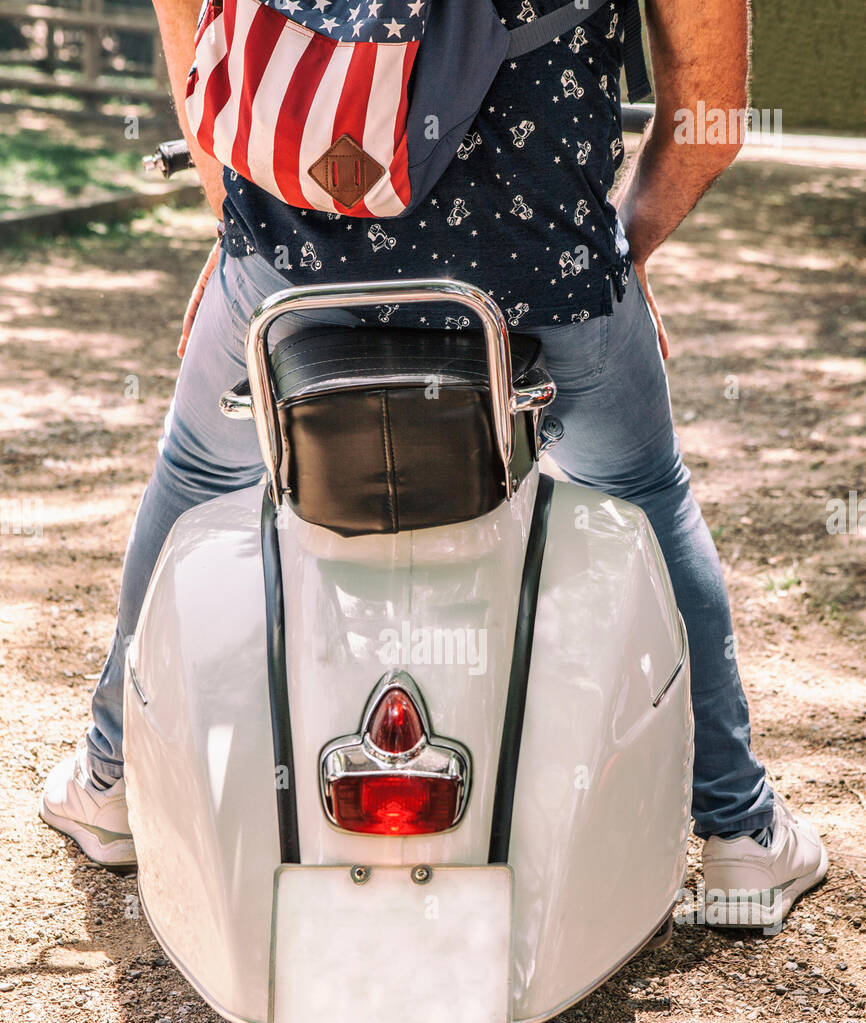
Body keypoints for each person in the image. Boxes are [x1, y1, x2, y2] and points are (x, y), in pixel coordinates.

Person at [40, 0, 827, 927]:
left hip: (291, 269)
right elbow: (710, 118)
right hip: (540, 284)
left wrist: (238, 222)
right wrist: (612, 256)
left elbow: (195, 22)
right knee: (645, 492)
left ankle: (110, 775)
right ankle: (736, 831)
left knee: (199, 473)